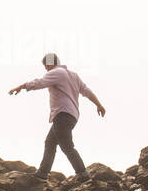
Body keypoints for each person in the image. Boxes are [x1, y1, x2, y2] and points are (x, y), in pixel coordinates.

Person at [8, 53, 105, 182]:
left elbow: (39, 82)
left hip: (62, 114)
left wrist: (21, 86)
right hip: (71, 116)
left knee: (66, 145)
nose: (46, 69)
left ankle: (82, 173)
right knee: (50, 142)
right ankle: (43, 173)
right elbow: (86, 91)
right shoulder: (73, 75)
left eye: (46, 66)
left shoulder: (57, 72)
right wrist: (99, 105)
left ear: (50, 64)